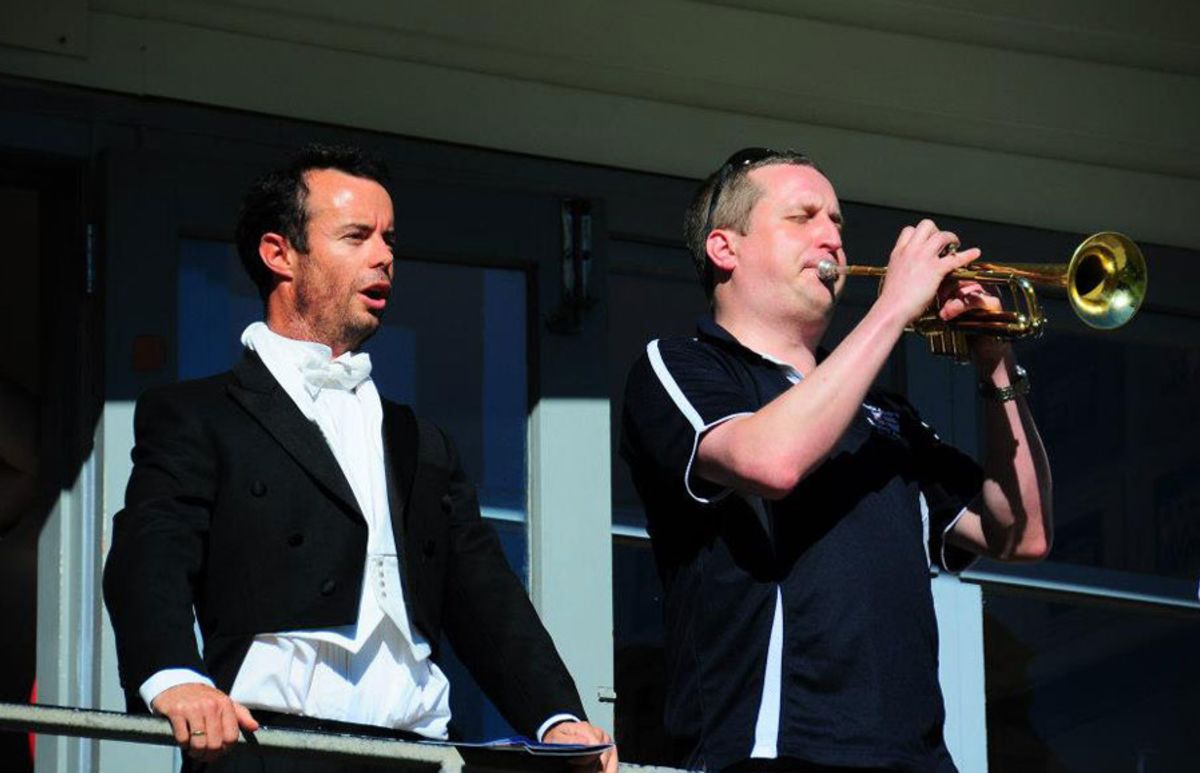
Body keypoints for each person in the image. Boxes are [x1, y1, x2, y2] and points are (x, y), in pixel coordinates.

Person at [103, 144, 616, 773]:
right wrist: (173, 676)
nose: (384, 256)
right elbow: (151, 550)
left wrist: (555, 716)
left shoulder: (418, 438)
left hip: (418, 756)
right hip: (270, 752)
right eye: (356, 236)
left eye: (389, 239)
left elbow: (484, 595)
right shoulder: (200, 415)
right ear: (280, 254)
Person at [620, 148, 1052, 772]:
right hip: (776, 751)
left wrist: (995, 362)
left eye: (838, 222)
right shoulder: (685, 365)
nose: (833, 239)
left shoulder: (887, 416)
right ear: (724, 249)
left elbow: (1022, 533)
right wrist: (894, 306)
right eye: (803, 217)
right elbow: (772, 462)